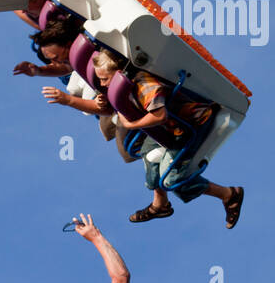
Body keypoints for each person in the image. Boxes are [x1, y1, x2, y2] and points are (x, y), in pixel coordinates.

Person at [86, 54, 244, 228]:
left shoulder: (144, 84)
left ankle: (229, 194)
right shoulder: (126, 87)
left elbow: (160, 115)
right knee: (151, 158)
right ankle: (160, 205)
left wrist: (133, 124)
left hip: (189, 126)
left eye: (104, 79)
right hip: (169, 129)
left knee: (171, 181)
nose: (102, 84)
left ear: (119, 73)